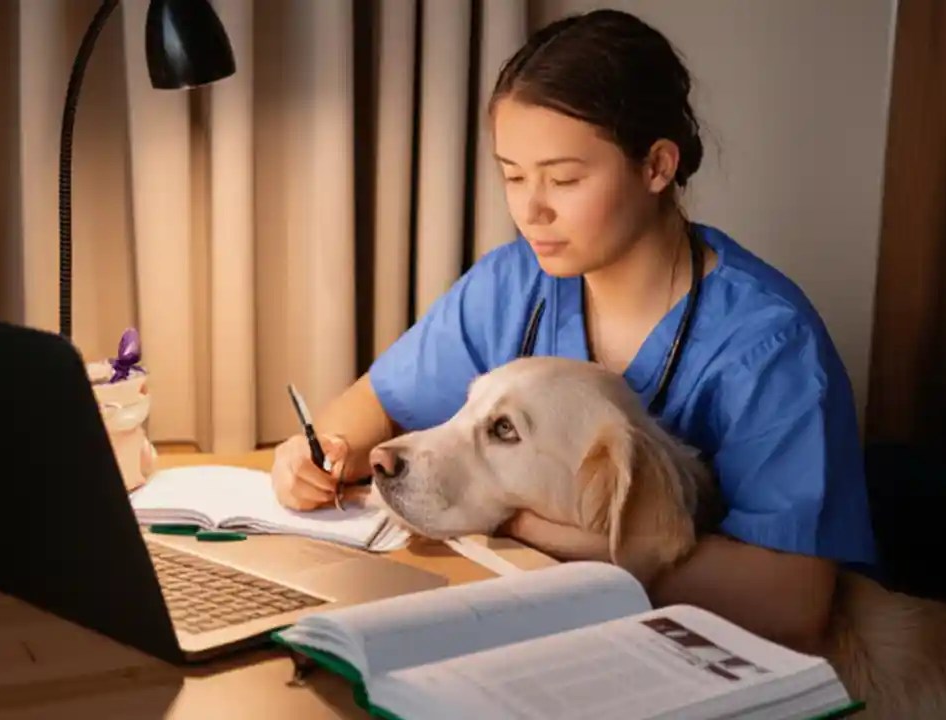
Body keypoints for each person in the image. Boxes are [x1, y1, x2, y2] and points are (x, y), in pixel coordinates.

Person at [270, 9, 878, 656]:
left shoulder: (767, 346)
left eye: (563, 179)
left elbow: (791, 604)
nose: (531, 209)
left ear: (656, 167)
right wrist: (316, 455)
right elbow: (371, 411)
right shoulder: (512, 287)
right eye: (512, 175)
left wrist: (540, 526)